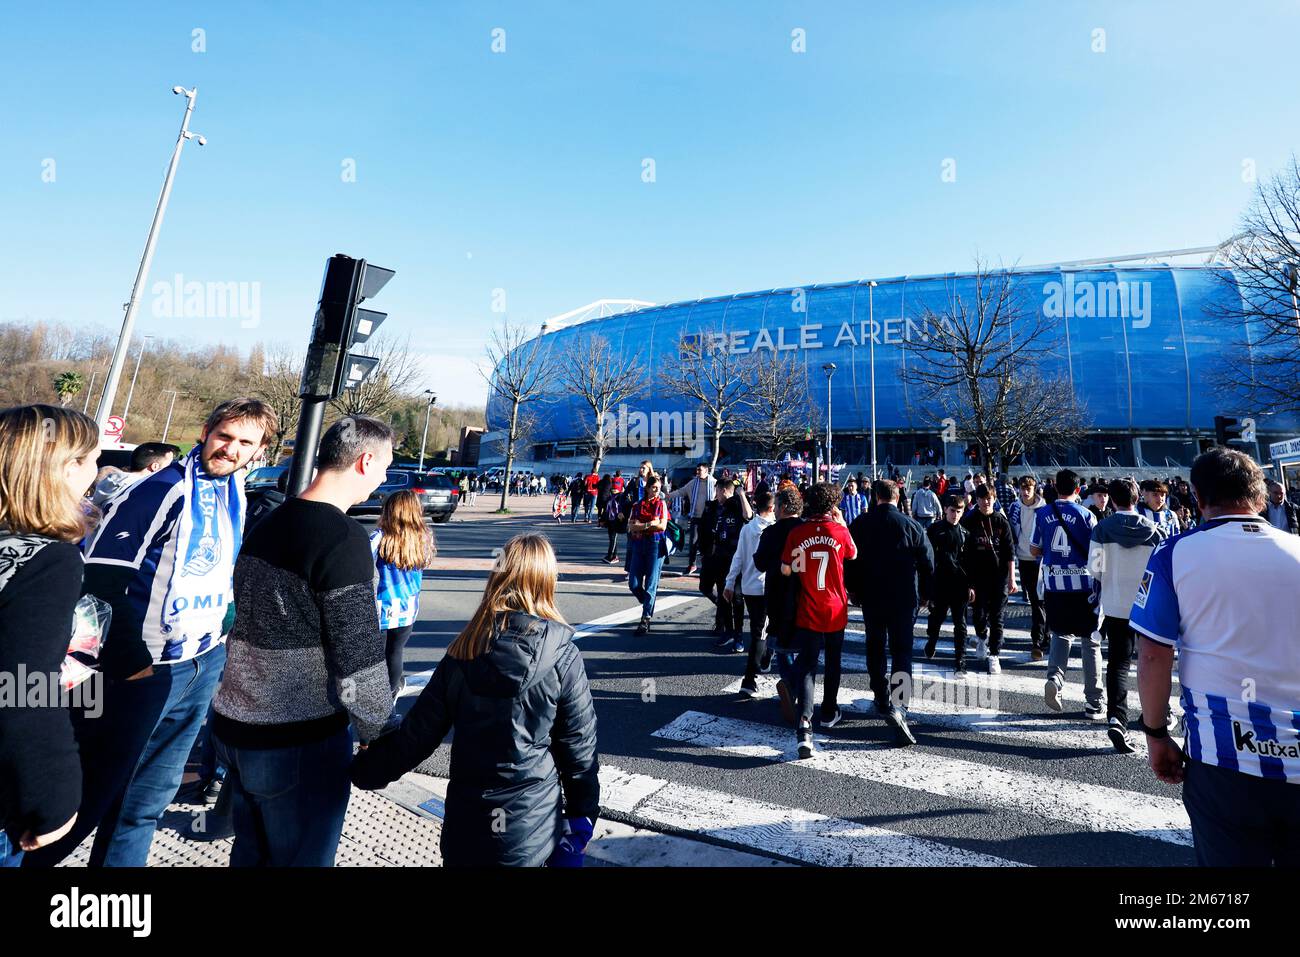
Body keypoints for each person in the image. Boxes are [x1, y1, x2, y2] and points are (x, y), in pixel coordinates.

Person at [24, 398, 277, 868]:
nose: (231, 449)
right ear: (205, 431)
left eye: (246, 442)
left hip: (201, 663)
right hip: (145, 670)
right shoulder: (160, 489)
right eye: (225, 436)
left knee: (145, 804)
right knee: (89, 800)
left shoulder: (236, 491)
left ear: (260, 449)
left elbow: (223, 571)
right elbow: (99, 579)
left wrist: (225, 631)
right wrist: (129, 659)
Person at [211, 415, 396, 866]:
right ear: (365, 461)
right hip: (298, 737)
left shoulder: (269, 522)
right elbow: (357, 656)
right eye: (386, 465)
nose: (386, 476)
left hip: (235, 724)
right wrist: (376, 731)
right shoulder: (342, 537)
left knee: (252, 854)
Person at [352, 535, 599, 866]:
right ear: (546, 582)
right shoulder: (562, 656)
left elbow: (417, 736)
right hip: (532, 829)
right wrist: (582, 816)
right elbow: (579, 749)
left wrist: (367, 771)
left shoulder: (463, 652)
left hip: (467, 826)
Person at [1131, 448, 1300, 865]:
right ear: (1260, 498)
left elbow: (1153, 653)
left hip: (1222, 755)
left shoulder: (1175, 553)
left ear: (1198, 498)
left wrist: (1155, 733)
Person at [0, 405, 100, 867]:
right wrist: (53, 798)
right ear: (61, 468)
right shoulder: (46, 561)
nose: (95, 473)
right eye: (89, 459)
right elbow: (22, 688)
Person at [845, 479, 934, 746]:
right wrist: (927, 594)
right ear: (897, 496)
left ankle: (880, 694)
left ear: (875, 496)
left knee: (875, 647)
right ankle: (900, 703)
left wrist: (854, 591)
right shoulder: (911, 525)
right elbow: (928, 562)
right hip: (904, 597)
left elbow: (850, 561)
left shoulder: (860, 524)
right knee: (902, 652)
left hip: (872, 596)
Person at [1087, 477, 1165, 753]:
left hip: (1115, 605)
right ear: (1137, 498)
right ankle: (1156, 714)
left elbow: (1095, 570)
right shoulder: (1154, 531)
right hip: (1146, 606)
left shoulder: (1102, 528)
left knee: (1118, 664)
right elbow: (1162, 570)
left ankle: (1116, 718)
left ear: (1114, 499)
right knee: (1150, 662)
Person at [780, 483, 857, 758]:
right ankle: (829, 710)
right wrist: (842, 523)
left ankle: (804, 724)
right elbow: (853, 553)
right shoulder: (838, 531)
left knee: (809, 665)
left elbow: (786, 570)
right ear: (832, 506)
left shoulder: (797, 533)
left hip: (809, 607)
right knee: (834, 660)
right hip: (835, 606)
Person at [1031, 469, 1103, 719]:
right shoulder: (1087, 515)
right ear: (1078, 489)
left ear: (1055, 487)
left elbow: (1034, 549)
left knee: (1060, 635)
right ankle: (1094, 701)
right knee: (1090, 642)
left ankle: (1055, 679)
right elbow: (1097, 554)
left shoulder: (1042, 514)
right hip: (1083, 584)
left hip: (1054, 584)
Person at [371, 489, 436, 710]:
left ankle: (377, 697)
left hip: (381, 607)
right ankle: (392, 692)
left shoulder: (379, 538)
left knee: (376, 656)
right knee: (395, 651)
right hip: (408, 607)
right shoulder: (424, 538)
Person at [754, 486, 804, 724]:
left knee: (781, 645)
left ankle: (789, 683)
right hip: (805, 595)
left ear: (782, 508)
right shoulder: (807, 529)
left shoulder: (771, 533)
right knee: (806, 646)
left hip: (777, 594)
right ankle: (796, 685)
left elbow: (760, 564)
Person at [960, 484, 1017, 674]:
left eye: (989, 498)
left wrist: (1012, 579)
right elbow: (964, 551)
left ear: (994, 499)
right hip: (976, 576)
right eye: (982, 499)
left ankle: (995, 654)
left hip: (999, 576)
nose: (986, 502)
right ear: (976, 500)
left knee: (997, 616)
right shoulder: (969, 521)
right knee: (978, 614)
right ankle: (982, 637)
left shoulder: (1002, 522)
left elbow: (1010, 552)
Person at [725, 488, 776, 697]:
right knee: (760, 631)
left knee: (760, 627)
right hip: (766, 586)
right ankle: (750, 677)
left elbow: (737, 557)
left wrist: (729, 583)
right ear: (772, 508)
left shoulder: (747, 529)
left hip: (748, 586)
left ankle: (764, 656)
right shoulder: (774, 529)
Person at [923, 493, 974, 676]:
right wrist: (926, 586)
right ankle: (932, 641)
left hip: (960, 585)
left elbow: (971, 562)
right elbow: (926, 558)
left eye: (959, 511)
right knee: (936, 619)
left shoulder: (966, 533)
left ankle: (960, 660)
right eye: (952, 511)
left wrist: (971, 586)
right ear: (945, 510)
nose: (955, 515)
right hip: (940, 584)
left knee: (960, 624)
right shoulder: (934, 530)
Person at [707, 479, 751, 652]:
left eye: (717, 491)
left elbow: (748, 515)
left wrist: (741, 494)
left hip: (736, 558)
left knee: (737, 598)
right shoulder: (718, 507)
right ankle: (729, 631)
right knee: (724, 596)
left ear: (724, 490)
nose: (716, 495)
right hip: (720, 556)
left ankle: (739, 635)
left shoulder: (736, 503)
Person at [1007, 475, 1048, 658]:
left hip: (1041, 560)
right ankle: (1044, 636)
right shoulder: (1015, 507)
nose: (1025, 492)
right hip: (1024, 558)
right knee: (1035, 600)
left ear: (1034, 489)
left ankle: (1038, 640)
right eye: (1023, 488)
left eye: (1028, 489)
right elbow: (1013, 531)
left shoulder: (1044, 508)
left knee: (1040, 601)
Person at [626, 473, 669, 634]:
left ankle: (645, 619)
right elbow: (631, 526)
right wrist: (649, 524)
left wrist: (641, 525)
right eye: (654, 488)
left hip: (655, 545)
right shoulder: (637, 505)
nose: (657, 491)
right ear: (648, 488)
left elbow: (662, 526)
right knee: (634, 583)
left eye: (659, 488)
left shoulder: (661, 504)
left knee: (651, 582)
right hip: (638, 544)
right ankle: (648, 605)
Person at [90, 441, 178, 508]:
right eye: (169, 464)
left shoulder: (112, 482)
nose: (171, 468)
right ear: (155, 466)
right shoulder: (142, 494)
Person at [673, 463, 715, 576]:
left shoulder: (714, 483)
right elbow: (681, 491)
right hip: (695, 517)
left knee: (707, 543)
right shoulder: (693, 483)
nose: (697, 472)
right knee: (693, 542)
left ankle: (707, 566)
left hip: (709, 519)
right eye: (697, 470)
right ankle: (692, 564)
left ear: (706, 471)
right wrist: (667, 496)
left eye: (700, 470)